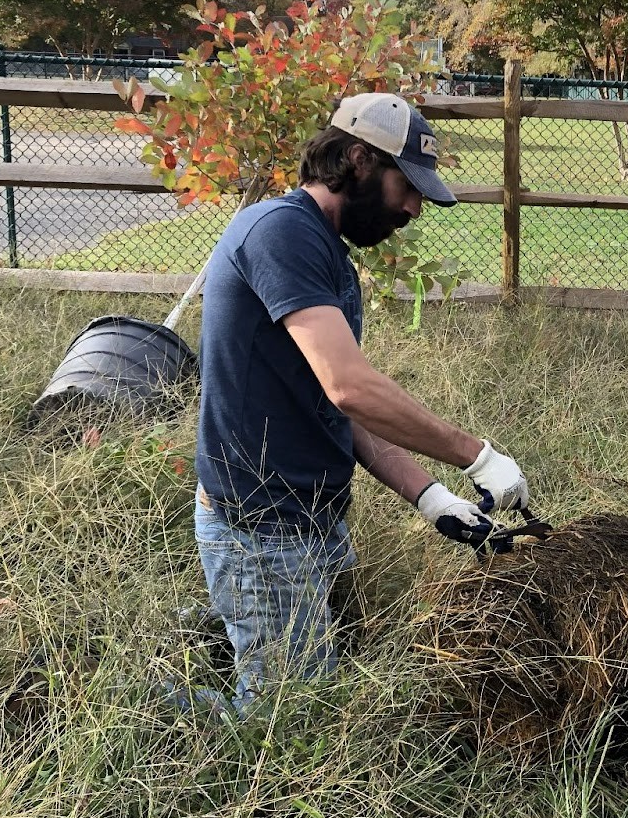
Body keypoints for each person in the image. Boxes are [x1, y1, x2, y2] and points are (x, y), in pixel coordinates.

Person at [192, 92, 531, 712]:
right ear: (357, 160)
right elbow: (350, 385)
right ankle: (169, 710)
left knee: (333, 670)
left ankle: (223, 654)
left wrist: (431, 498)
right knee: (289, 723)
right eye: (408, 186)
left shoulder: (329, 254)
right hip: (263, 528)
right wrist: (476, 456)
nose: (414, 207)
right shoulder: (281, 233)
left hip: (312, 516)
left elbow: (331, 406)